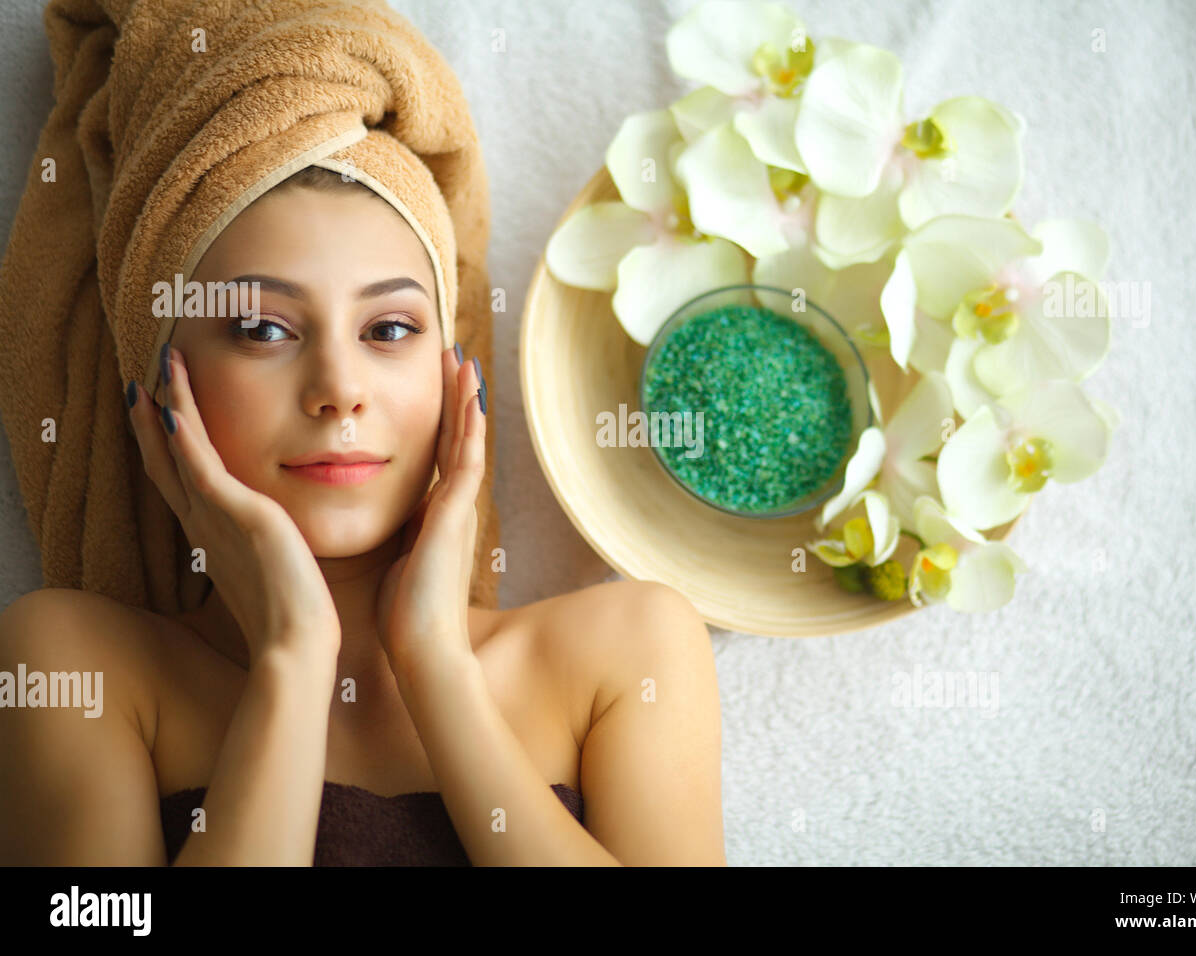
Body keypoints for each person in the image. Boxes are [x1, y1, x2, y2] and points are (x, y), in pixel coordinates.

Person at [0, 165, 726, 866]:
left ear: (454, 378)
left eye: (387, 330)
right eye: (262, 328)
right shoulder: (77, 665)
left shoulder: (628, 649)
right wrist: (293, 659)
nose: (339, 389)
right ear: (161, 384)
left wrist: (436, 663)